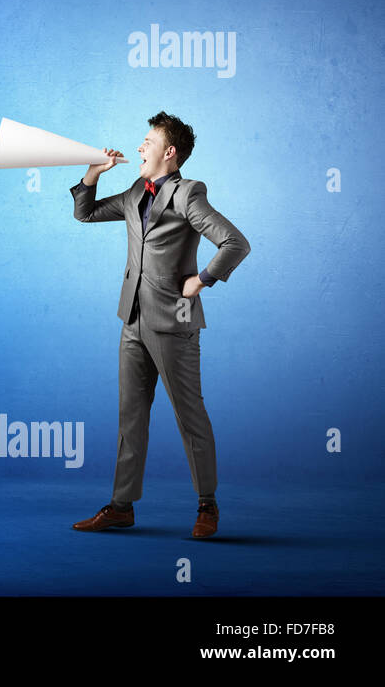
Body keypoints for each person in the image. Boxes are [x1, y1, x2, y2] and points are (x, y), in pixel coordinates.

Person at [68, 112, 249, 538]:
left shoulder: (188, 195)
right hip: (131, 319)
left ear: (169, 152)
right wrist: (93, 174)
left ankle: (208, 505)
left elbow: (235, 242)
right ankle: (121, 506)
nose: (138, 148)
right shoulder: (135, 191)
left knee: (190, 417)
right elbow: (85, 214)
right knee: (131, 417)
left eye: (147, 141)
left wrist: (201, 280)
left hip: (174, 322)